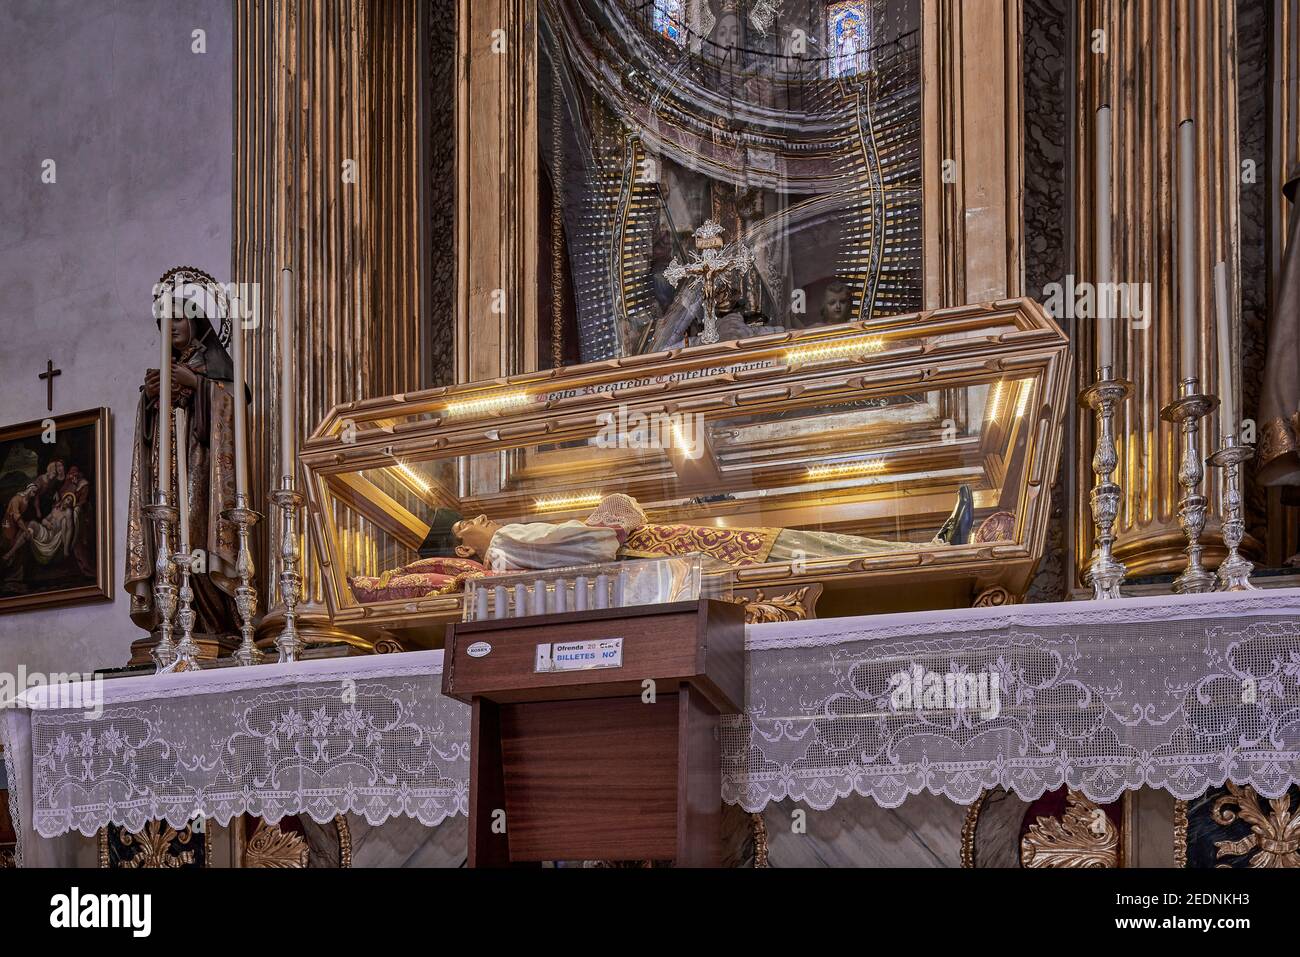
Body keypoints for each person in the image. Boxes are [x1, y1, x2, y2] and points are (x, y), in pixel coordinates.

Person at [124, 267, 248, 645]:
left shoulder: (217, 368)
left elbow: (235, 407)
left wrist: (198, 386)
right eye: (165, 320)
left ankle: (214, 624)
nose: (172, 325)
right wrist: (149, 400)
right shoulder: (161, 372)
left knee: (198, 536)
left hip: (203, 475)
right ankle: (173, 621)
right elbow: (147, 438)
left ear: (195, 319)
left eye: (178, 317)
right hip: (168, 475)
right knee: (169, 535)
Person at [451, 488, 975, 571]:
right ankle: (926, 553)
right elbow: (601, 542)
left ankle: (924, 549)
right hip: (664, 558)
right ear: (461, 545)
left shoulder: (508, 546)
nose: (482, 519)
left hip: (672, 552)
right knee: (796, 549)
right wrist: (615, 509)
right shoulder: (508, 542)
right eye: (468, 522)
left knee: (798, 546)